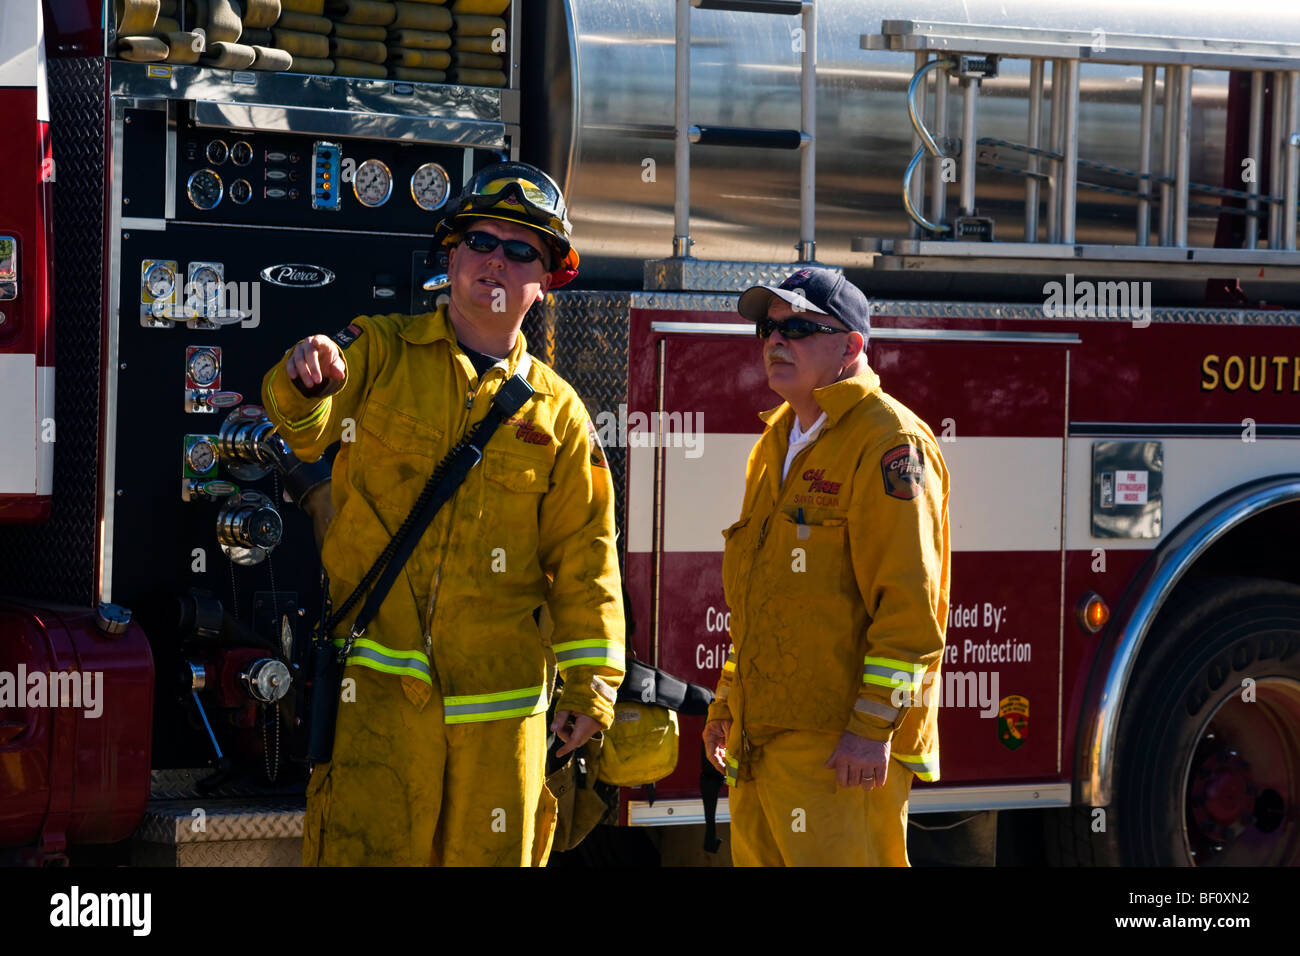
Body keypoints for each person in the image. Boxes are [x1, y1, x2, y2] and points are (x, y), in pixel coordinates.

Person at [261, 162, 625, 866]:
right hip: (381, 706)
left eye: (523, 251)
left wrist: (592, 688)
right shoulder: (383, 351)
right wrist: (305, 377)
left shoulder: (560, 416)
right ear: (451, 257)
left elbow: (586, 556)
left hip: (503, 721)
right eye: (481, 242)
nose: (498, 260)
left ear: (547, 280)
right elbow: (305, 426)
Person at [702, 267, 950, 866]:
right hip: (763, 743)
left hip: (840, 753)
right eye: (768, 328)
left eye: (798, 327)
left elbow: (911, 607)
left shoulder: (888, 441)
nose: (775, 341)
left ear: (852, 346)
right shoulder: (777, 441)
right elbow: (762, 601)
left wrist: (870, 729)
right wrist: (726, 704)